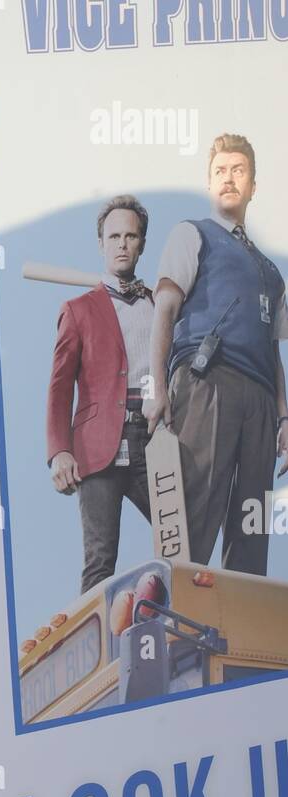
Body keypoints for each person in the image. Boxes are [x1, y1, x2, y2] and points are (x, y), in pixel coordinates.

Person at [146, 133, 288, 574]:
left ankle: (238, 634)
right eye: (220, 172)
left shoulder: (271, 272)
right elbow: (165, 311)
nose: (229, 179)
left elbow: (273, 350)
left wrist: (284, 417)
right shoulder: (193, 234)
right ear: (210, 183)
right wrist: (157, 388)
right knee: (194, 518)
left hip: (261, 401)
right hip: (207, 382)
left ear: (253, 186)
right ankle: (176, 628)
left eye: (238, 171)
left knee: (253, 525)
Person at [46, 196, 154, 592]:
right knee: (100, 560)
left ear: (142, 243)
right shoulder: (78, 310)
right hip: (97, 448)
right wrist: (60, 450)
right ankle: (96, 651)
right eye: (114, 236)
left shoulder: (159, 303)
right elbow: (59, 387)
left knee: (182, 543)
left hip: (154, 443)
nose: (122, 243)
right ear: (101, 243)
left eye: (131, 235)